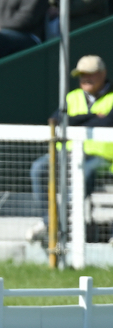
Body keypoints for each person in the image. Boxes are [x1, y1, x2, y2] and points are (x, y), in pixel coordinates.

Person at [30, 55, 113, 239]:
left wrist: (77, 121)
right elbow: (56, 121)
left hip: (103, 157)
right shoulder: (72, 97)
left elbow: (107, 123)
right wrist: (90, 116)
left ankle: (59, 220)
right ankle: (48, 220)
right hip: (69, 153)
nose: (85, 79)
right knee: (39, 168)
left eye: (90, 74)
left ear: (102, 74)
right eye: (81, 75)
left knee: (85, 172)